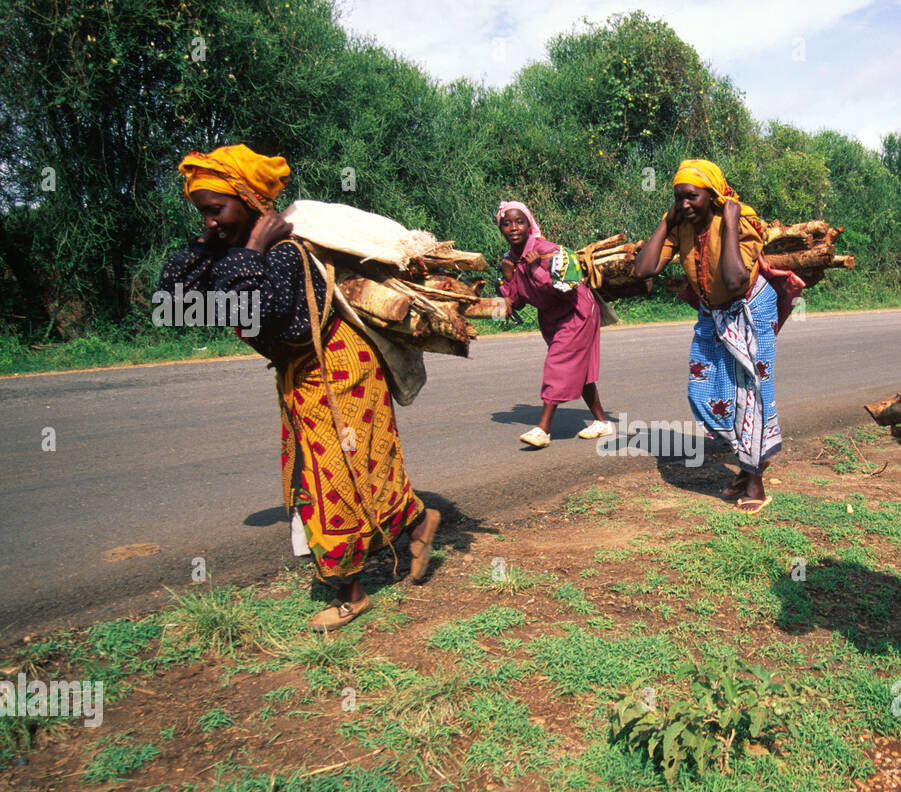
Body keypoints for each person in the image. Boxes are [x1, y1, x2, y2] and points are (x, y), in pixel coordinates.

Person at [158, 144, 440, 632]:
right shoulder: (239, 252)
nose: (208, 222)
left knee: (334, 476)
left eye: (216, 210)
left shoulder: (287, 254)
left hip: (338, 371)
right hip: (305, 373)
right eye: (201, 212)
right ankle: (416, 521)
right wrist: (215, 248)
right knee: (340, 470)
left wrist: (247, 252)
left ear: (250, 201)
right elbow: (172, 304)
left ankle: (350, 593)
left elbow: (256, 311)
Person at [632, 160, 800, 514]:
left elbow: (735, 280)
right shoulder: (681, 226)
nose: (685, 205)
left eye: (691, 197)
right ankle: (749, 462)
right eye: (678, 198)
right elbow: (643, 270)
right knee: (703, 389)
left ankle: (754, 480)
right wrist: (667, 221)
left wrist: (731, 222)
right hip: (713, 312)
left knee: (750, 392)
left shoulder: (742, 221)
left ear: (713, 194)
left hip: (752, 308)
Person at [495, 201, 611, 448]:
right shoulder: (509, 260)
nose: (513, 227)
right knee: (578, 369)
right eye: (507, 223)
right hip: (550, 318)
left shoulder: (550, 251)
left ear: (530, 224)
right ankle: (602, 422)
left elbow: (567, 292)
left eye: (519, 222)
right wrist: (508, 278)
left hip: (576, 312)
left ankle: (543, 429)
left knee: (558, 362)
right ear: (501, 228)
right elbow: (516, 303)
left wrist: (536, 270)